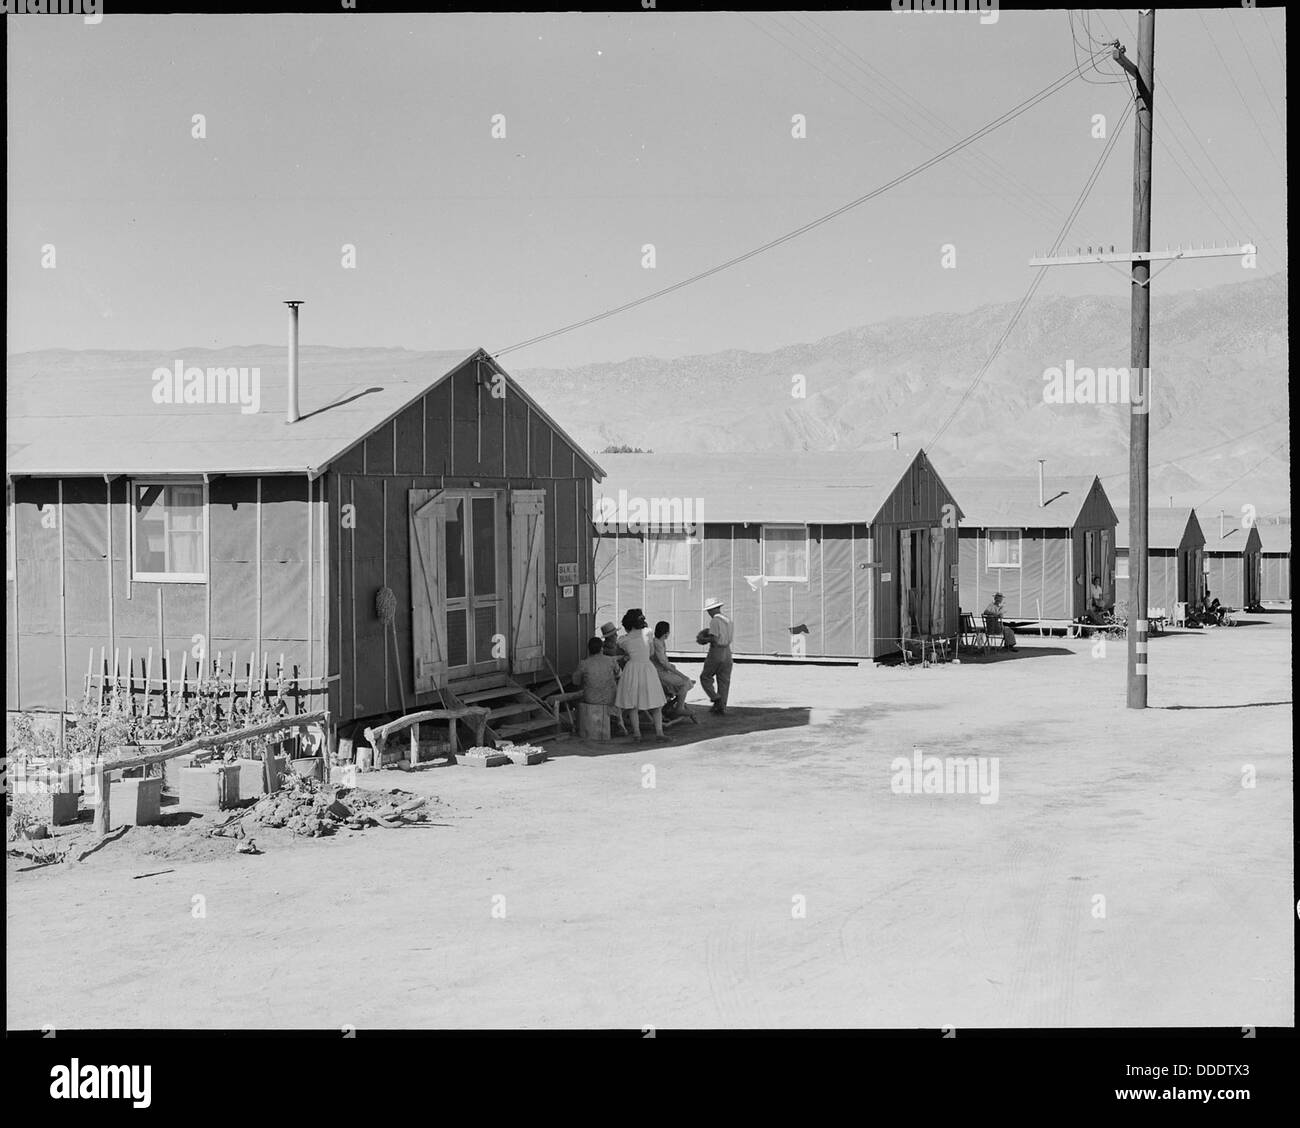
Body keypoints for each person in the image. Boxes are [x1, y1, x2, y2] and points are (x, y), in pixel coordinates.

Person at [614, 608, 668, 741]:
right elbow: (651, 653)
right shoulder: (648, 633)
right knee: (656, 701)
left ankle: (637, 733)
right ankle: (659, 732)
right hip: (647, 668)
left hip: (632, 668)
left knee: (633, 704)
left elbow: (625, 652)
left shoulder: (623, 640)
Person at [571, 636, 627, 735]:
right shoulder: (611, 660)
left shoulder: (584, 663)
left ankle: (577, 724)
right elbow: (620, 675)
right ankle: (619, 721)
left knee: (577, 698)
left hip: (591, 699)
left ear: (589, 649)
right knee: (616, 691)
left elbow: (575, 682)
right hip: (610, 699)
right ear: (602, 648)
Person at [651, 621, 695, 718]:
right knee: (685, 682)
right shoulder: (657, 643)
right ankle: (679, 708)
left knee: (686, 681)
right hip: (659, 674)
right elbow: (664, 663)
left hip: (662, 672)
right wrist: (682, 675)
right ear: (666, 633)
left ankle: (672, 706)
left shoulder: (659, 642)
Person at [699, 596, 734, 714]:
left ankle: (715, 697)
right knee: (724, 680)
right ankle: (722, 707)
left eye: (709, 610)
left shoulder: (715, 621)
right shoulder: (728, 620)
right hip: (727, 651)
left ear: (712, 609)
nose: (708, 613)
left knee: (705, 677)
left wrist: (703, 639)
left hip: (716, 651)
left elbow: (714, 638)